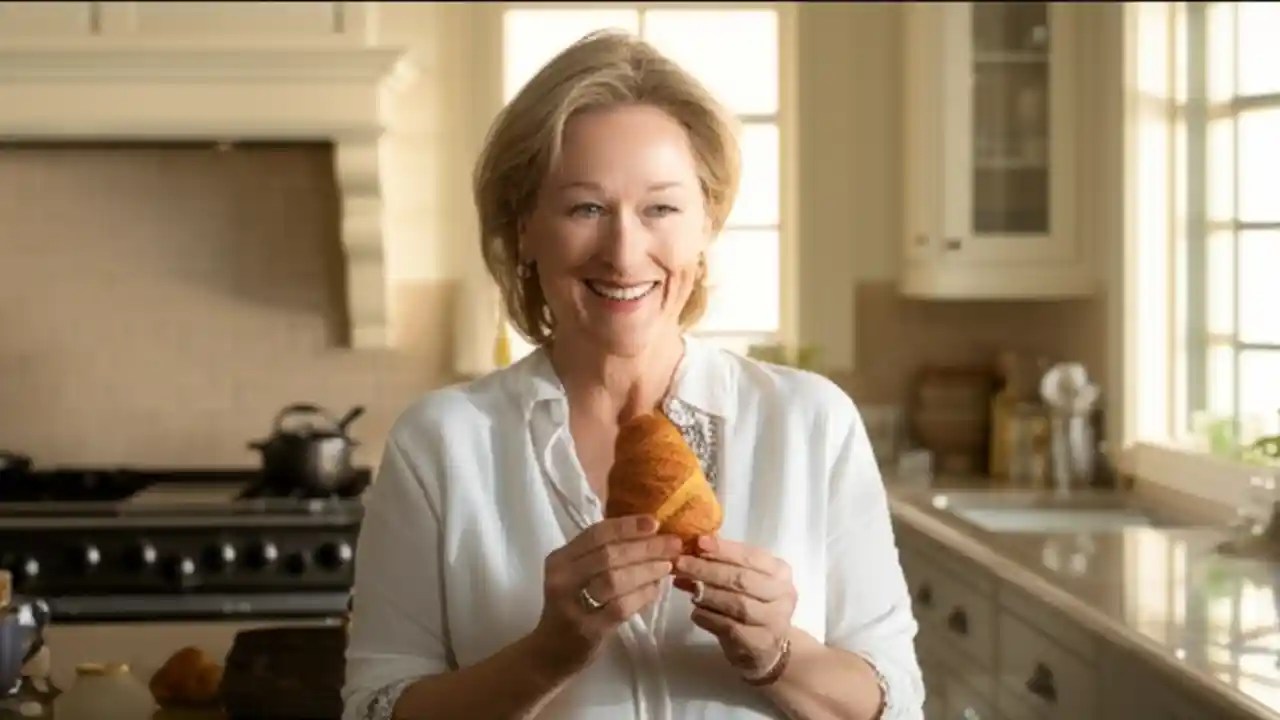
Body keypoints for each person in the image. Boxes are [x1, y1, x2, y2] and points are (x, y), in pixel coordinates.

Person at [342, 29, 924, 720]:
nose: (624, 252)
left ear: (706, 222)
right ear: (523, 227)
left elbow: (897, 701)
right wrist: (549, 653)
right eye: (586, 207)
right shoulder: (440, 444)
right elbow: (375, 710)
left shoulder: (810, 422)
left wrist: (778, 654)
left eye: (661, 208)